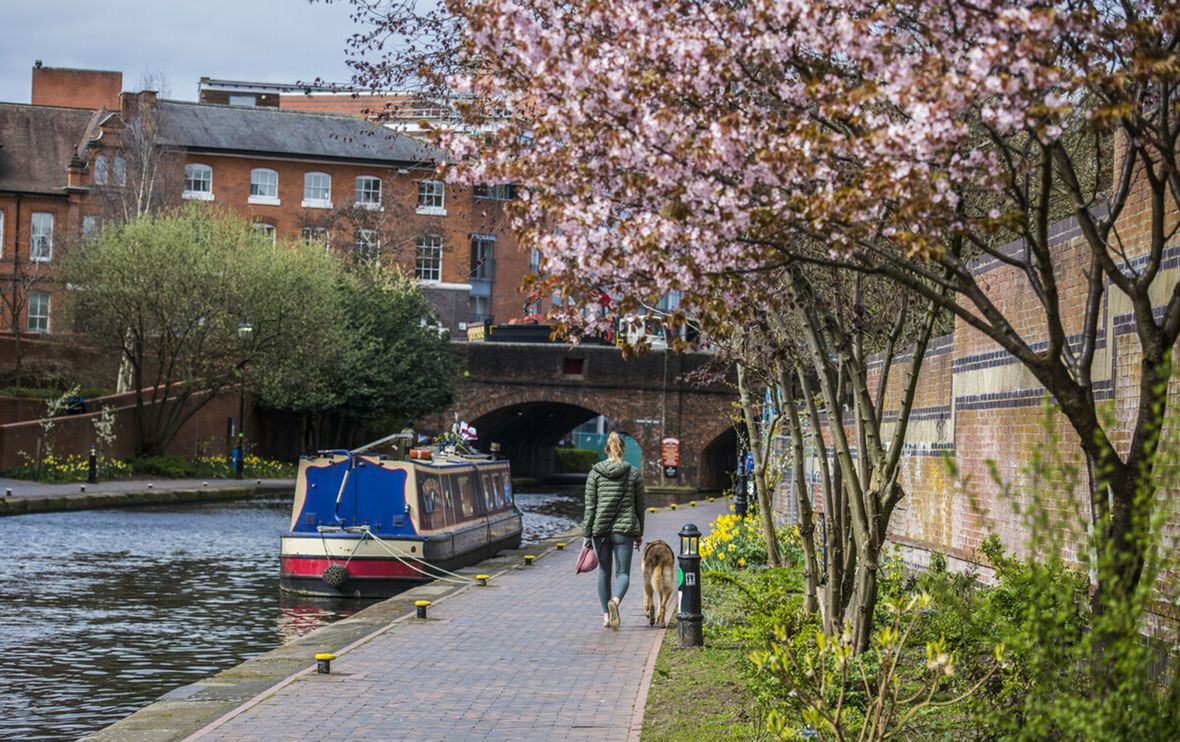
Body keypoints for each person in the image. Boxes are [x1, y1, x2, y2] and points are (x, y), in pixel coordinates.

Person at [581, 431, 645, 630]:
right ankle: (615, 601)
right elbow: (639, 506)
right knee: (623, 572)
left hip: (600, 530)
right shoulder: (633, 473)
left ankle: (606, 617)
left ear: (606, 449)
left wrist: (586, 534)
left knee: (603, 572)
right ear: (623, 449)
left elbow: (590, 507)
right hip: (624, 530)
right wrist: (639, 531)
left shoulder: (595, 473)